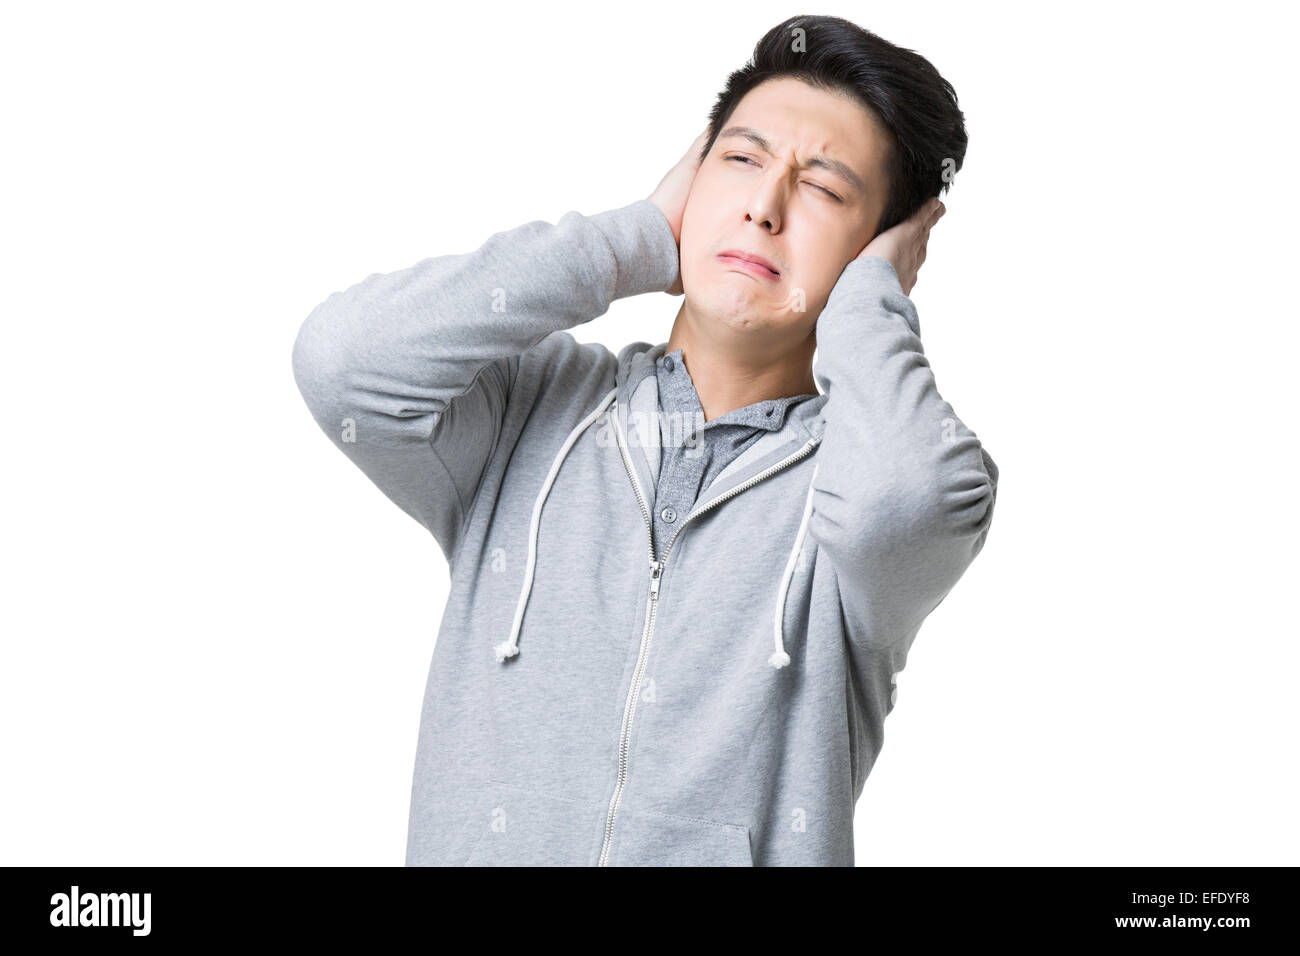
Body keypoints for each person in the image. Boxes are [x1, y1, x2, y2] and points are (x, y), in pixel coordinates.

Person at [291, 14, 999, 866]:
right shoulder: (525, 412)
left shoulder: (851, 487)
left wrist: (870, 300)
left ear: (879, 249)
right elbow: (344, 363)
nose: (762, 206)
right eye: (740, 159)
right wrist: (631, 241)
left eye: (823, 188)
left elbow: (912, 499)